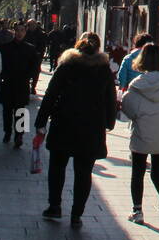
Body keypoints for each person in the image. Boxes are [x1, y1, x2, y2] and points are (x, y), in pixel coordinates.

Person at [34, 32, 117, 228]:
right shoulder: (103, 69)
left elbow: (51, 94)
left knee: (57, 167)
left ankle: (55, 206)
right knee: (83, 173)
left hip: (64, 122)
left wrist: (41, 121)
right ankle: (76, 214)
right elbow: (110, 98)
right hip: (91, 127)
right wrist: (109, 122)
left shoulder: (67, 65)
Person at [120, 43, 159, 227]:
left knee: (138, 173)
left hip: (142, 135)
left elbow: (129, 110)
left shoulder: (138, 85)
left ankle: (137, 210)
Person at [0, 23, 39, 148]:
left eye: (22, 31)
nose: (20, 33)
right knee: (7, 110)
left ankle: (19, 135)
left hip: (22, 83)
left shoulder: (30, 49)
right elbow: (1, 65)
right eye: (18, 31)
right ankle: (7, 132)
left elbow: (35, 67)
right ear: (14, 32)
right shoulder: (5, 48)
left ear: (25, 32)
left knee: (21, 110)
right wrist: (3, 77)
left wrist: (29, 78)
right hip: (8, 83)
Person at [26, 20, 47, 92]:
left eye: (33, 25)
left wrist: (40, 54)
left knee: (36, 72)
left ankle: (33, 86)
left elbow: (43, 45)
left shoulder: (41, 34)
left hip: (36, 56)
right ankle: (26, 85)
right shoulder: (25, 33)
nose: (32, 26)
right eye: (30, 25)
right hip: (27, 56)